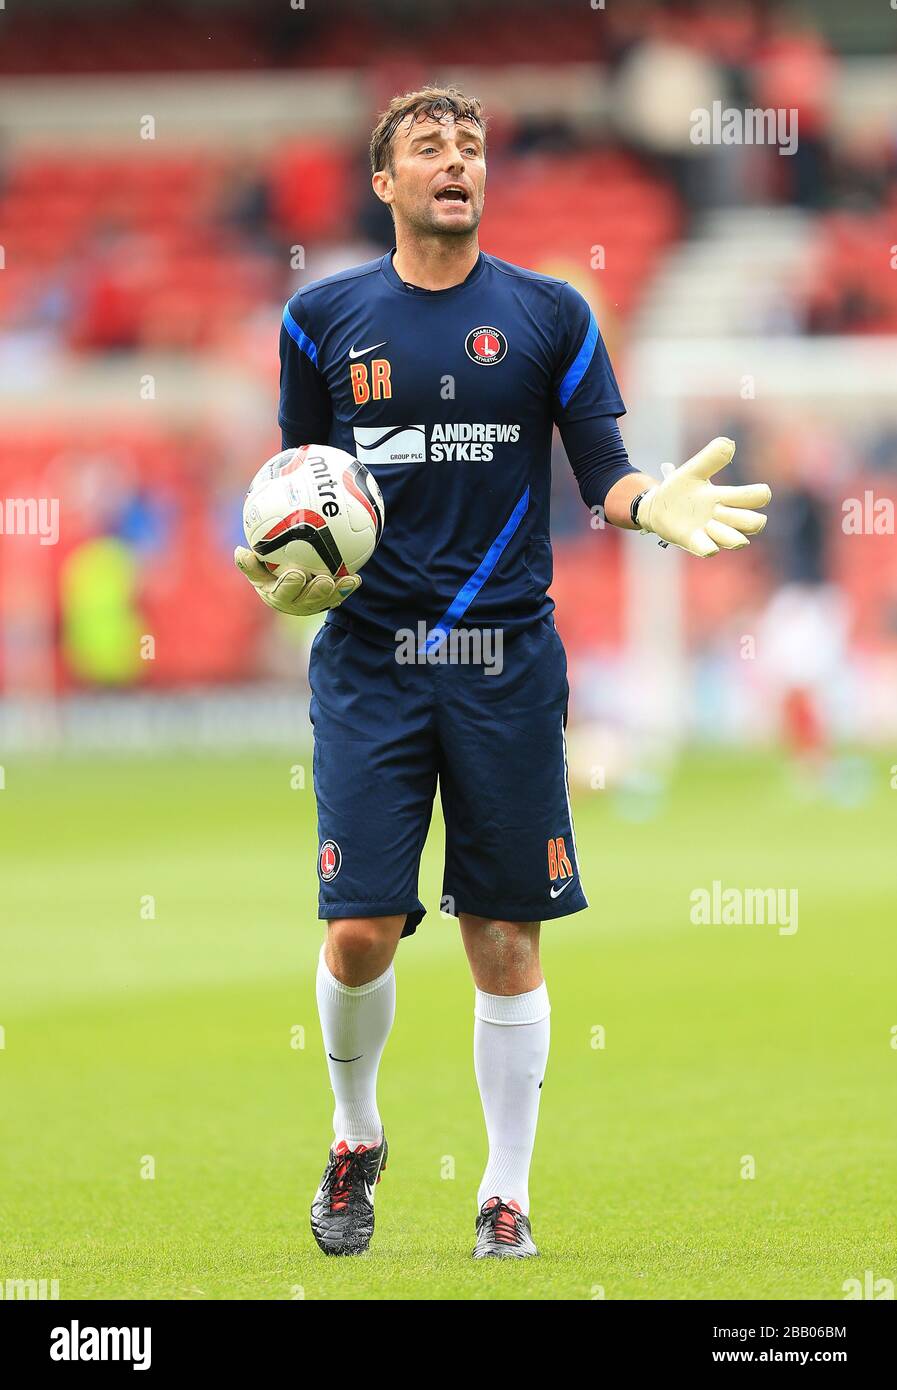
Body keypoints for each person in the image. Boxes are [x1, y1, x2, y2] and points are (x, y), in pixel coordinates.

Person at [234, 85, 771, 1259]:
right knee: (360, 929)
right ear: (385, 181)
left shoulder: (549, 315)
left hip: (506, 665)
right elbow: (303, 485)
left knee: (506, 936)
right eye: (429, 146)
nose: (455, 161)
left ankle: (505, 1194)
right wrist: (284, 568)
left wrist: (652, 505)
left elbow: (605, 471)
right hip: (372, 664)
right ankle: (355, 1132)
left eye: (470, 146)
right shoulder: (321, 320)